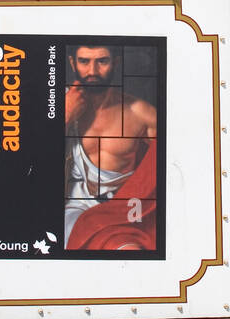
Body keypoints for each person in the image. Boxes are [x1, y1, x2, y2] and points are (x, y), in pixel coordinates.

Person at [63, 44, 159, 251]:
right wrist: (66, 115)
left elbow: (175, 155)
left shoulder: (139, 112)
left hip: (122, 210)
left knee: (131, 251)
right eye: (84, 61)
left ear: (115, 62)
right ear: (72, 63)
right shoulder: (58, 105)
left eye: (102, 61)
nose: (92, 71)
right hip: (75, 206)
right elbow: (29, 156)